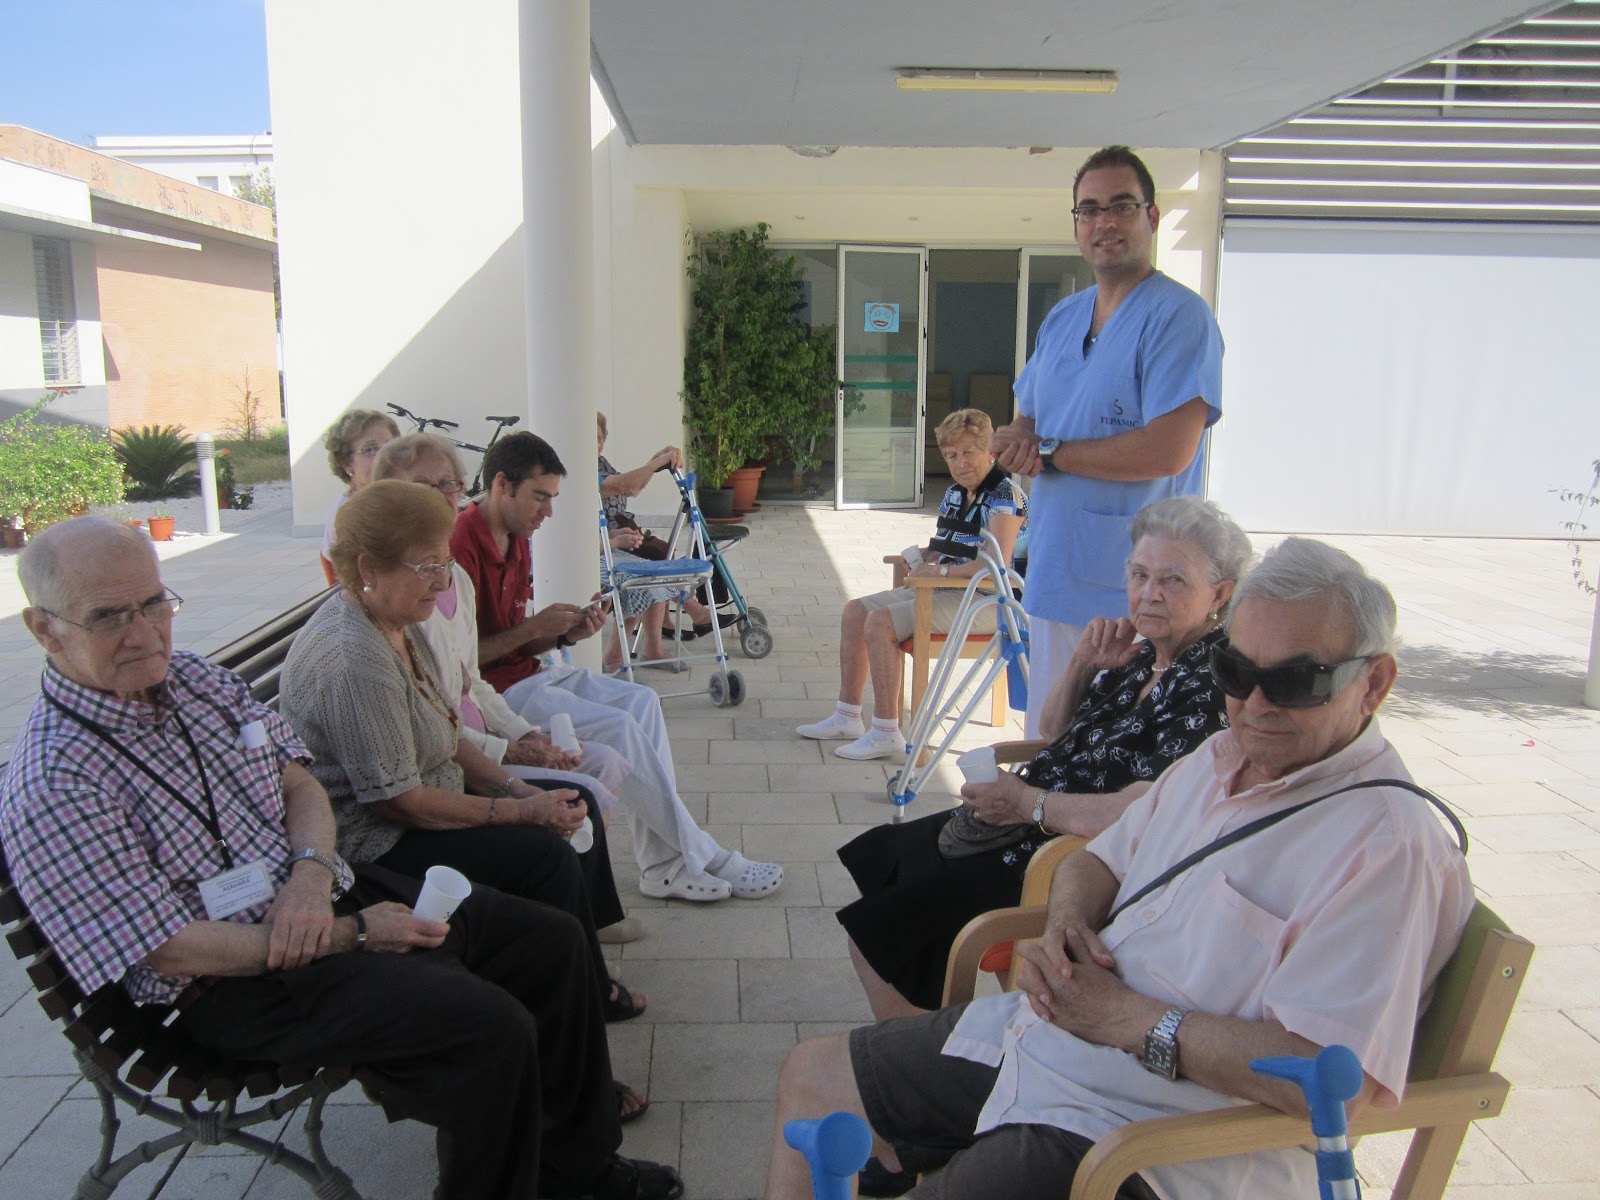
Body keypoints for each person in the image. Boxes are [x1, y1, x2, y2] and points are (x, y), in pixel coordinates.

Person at [764, 537, 1474, 1200]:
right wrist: (1065, 932)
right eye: (1236, 670)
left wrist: (1130, 1020)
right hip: (1051, 1040)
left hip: (1153, 1139)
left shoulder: (1387, 846)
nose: (1254, 704)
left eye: (1295, 681)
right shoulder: (1220, 759)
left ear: (1373, 683)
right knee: (815, 1076)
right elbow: (1097, 863)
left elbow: (1330, 1080)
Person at [0, 517, 682, 1200]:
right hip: (237, 981)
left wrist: (310, 873)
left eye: (154, 602)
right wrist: (353, 931)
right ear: (44, 629)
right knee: (489, 1028)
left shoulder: (192, 681)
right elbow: (170, 950)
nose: (145, 631)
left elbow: (296, 779)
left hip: (322, 897)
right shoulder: (57, 779)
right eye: (109, 615)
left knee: (551, 942)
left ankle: (580, 1171)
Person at [837, 496, 1249, 1019]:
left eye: (1173, 581)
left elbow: (1151, 813)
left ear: (1221, 593)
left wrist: (1026, 802)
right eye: (1140, 574)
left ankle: (925, 1061)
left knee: (878, 932)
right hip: (1028, 820)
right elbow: (1053, 733)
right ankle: (934, 1022)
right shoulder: (1145, 650)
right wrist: (1083, 663)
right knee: (888, 857)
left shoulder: (1215, 686)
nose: (1149, 594)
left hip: (1065, 859)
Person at [278, 480, 650, 1028]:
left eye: (445, 563)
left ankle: (580, 982)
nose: (444, 582)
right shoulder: (355, 659)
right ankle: (565, 1000)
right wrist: (523, 811)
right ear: (368, 568)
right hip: (376, 845)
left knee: (572, 802)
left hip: (426, 801)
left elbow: (447, 731)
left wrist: (519, 788)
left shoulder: (401, 625)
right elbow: (398, 802)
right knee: (542, 855)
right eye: (426, 567)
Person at [451, 430, 783, 902]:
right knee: (620, 727)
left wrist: (567, 633)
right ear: (502, 485)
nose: (548, 512)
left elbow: (518, 643)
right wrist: (532, 631)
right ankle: (700, 853)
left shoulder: (516, 534)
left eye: (552, 499)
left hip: (525, 673)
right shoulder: (460, 547)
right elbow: (462, 662)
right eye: (539, 498)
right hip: (492, 696)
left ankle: (662, 865)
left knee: (643, 700)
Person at [989, 145, 1225, 739]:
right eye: (1089, 210)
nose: (1105, 223)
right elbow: (1030, 417)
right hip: (1058, 569)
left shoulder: (1180, 318)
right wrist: (1015, 441)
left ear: (1153, 215)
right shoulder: (1064, 317)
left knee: (1116, 758)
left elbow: (1168, 451)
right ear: (1076, 225)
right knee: (1047, 737)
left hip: (1141, 592)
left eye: (1122, 206)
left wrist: (1051, 454)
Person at [373, 432, 643, 941]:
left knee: (617, 734)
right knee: (584, 779)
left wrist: (528, 738)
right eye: (422, 487)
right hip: (451, 768)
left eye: (448, 486)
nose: (441, 499)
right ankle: (576, 913)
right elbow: (435, 729)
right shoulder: (405, 597)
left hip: (485, 730)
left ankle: (603, 896)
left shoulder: (455, 579)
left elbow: (471, 680)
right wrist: (512, 751)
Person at [796, 408, 1027, 761]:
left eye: (969, 453)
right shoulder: (954, 493)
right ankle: (847, 716)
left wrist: (943, 574)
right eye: (952, 455)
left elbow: (996, 564)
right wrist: (923, 556)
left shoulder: (1004, 495)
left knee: (880, 622)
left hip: (989, 602)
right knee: (856, 611)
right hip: (946, 591)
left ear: (990, 452)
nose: (960, 462)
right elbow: (946, 546)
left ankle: (886, 732)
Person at [597, 410, 738, 653]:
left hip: (619, 532)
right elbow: (622, 485)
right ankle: (692, 616)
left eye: (599, 437)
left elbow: (633, 487)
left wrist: (657, 460)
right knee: (657, 562)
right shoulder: (578, 470)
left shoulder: (599, 463)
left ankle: (665, 632)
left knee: (661, 557)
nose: (595, 442)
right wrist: (655, 464)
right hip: (609, 538)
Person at [318, 407, 400, 584]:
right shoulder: (347, 514)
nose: (384, 457)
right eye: (370, 450)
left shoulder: (394, 498)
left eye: (389, 446)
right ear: (347, 464)